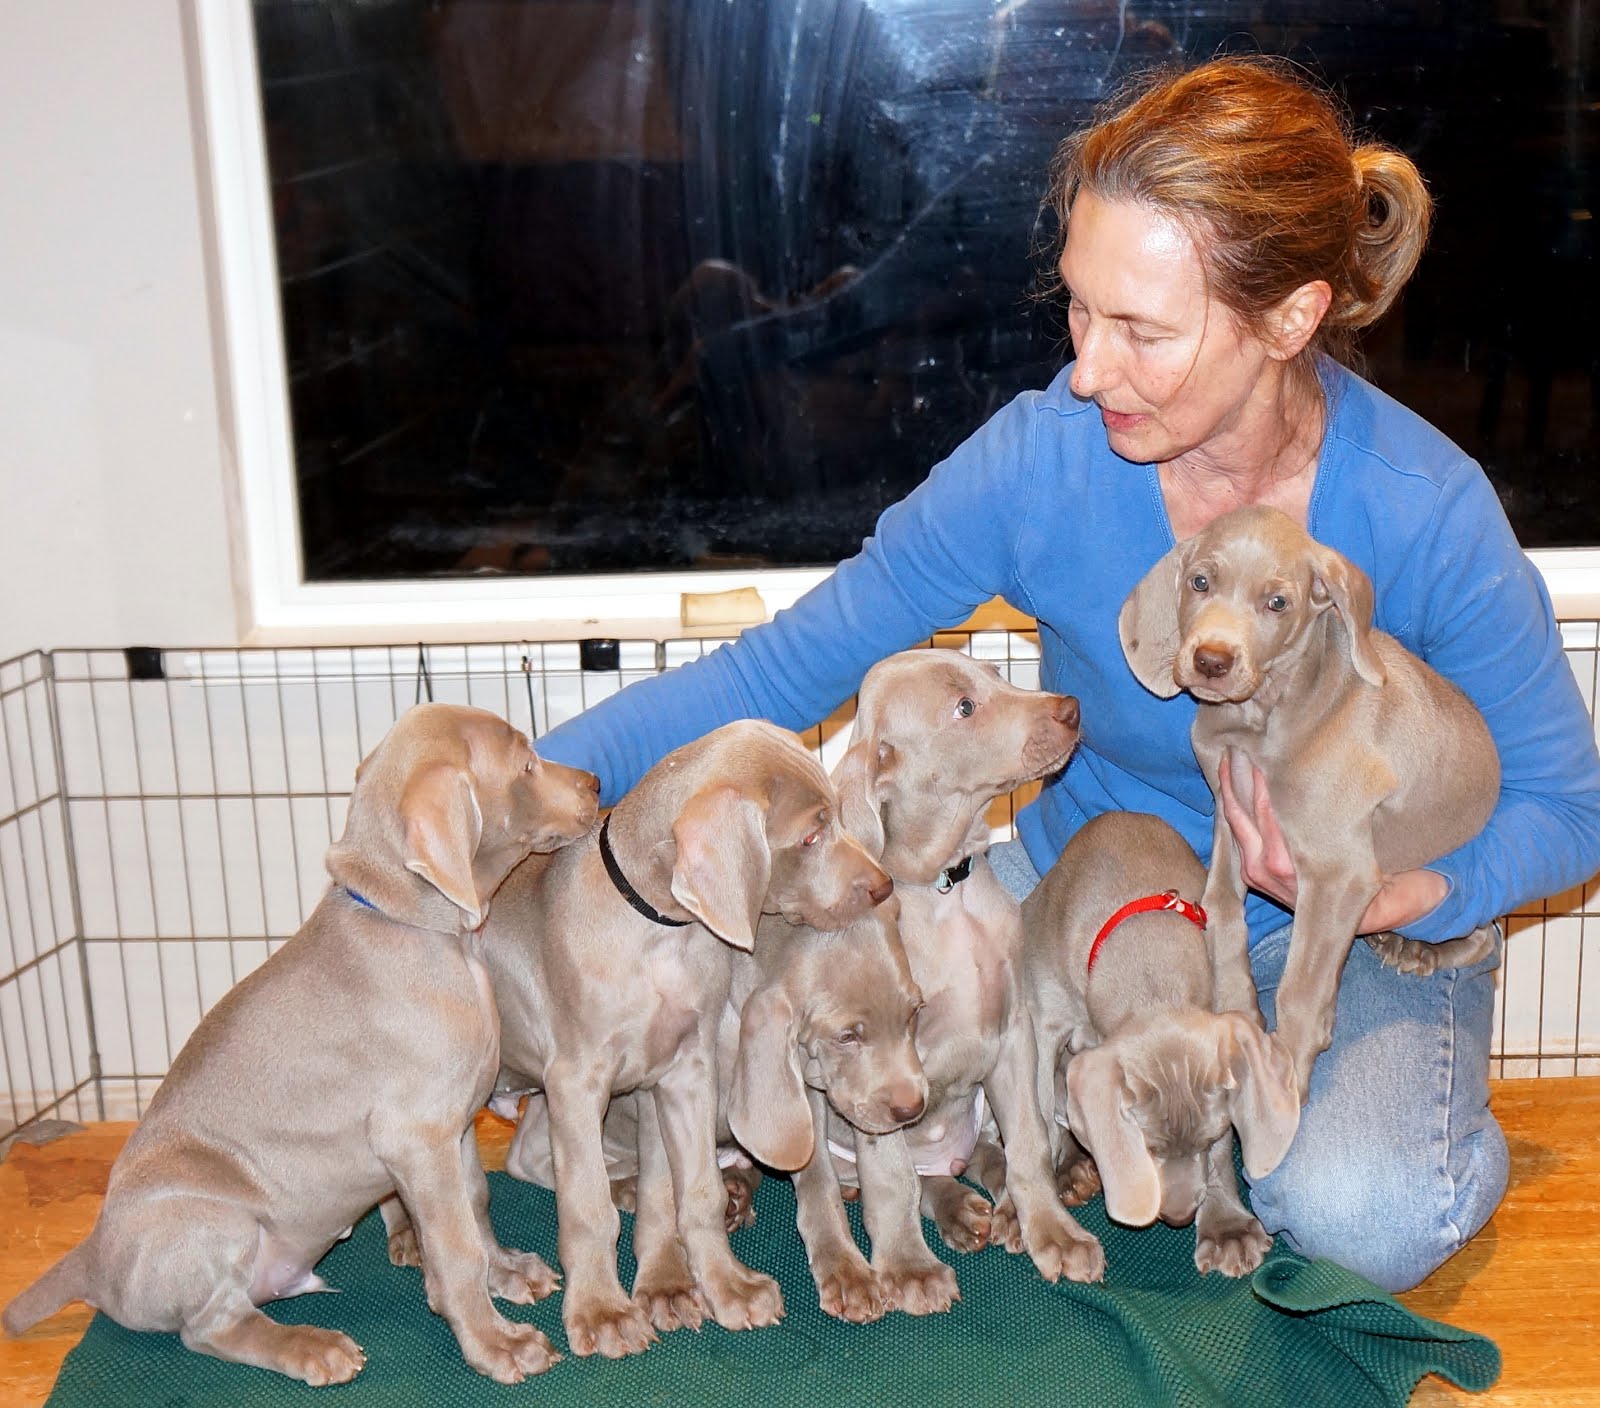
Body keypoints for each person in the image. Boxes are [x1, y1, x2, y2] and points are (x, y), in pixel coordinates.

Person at [535, 56, 1600, 1292]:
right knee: (855, 1049)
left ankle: (1316, 1114)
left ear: (1290, 318)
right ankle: (1133, 1099)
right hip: (1084, 897)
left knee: (1364, 1218)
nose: (1088, 370)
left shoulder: (1421, 513)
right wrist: (544, 789)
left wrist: (1407, 893)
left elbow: (1569, 808)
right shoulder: (1043, 465)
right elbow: (785, 667)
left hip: (1344, 933)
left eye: (1143, 331)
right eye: (1081, 312)